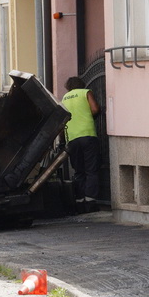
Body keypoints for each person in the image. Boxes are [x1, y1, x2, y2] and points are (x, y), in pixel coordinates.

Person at [60, 76, 102, 208]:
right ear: (81, 84)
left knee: (79, 171)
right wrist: (91, 117)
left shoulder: (64, 98)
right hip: (87, 134)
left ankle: (79, 200)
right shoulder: (85, 92)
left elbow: (61, 119)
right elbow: (95, 109)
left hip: (72, 137)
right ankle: (90, 201)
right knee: (91, 169)